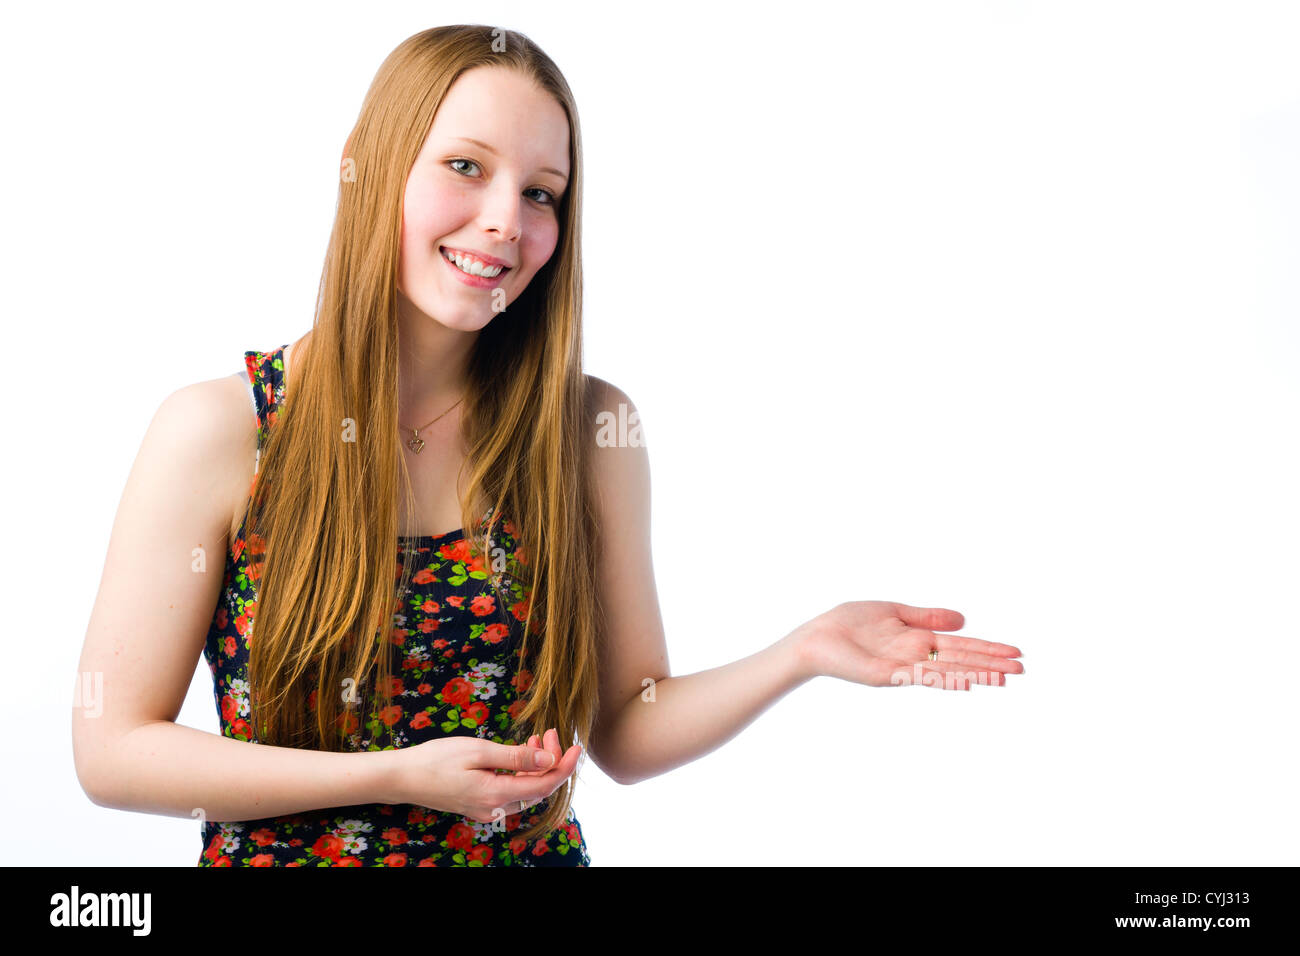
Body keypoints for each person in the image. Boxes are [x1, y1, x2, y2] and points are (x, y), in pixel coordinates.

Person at [71, 24, 1025, 867]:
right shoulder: (221, 430)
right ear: (367, 160)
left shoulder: (590, 433)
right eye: (465, 167)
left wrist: (801, 652)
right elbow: (111, 752)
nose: (504, 221)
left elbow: (629, 730)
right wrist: (401, 776)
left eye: (542, 192)